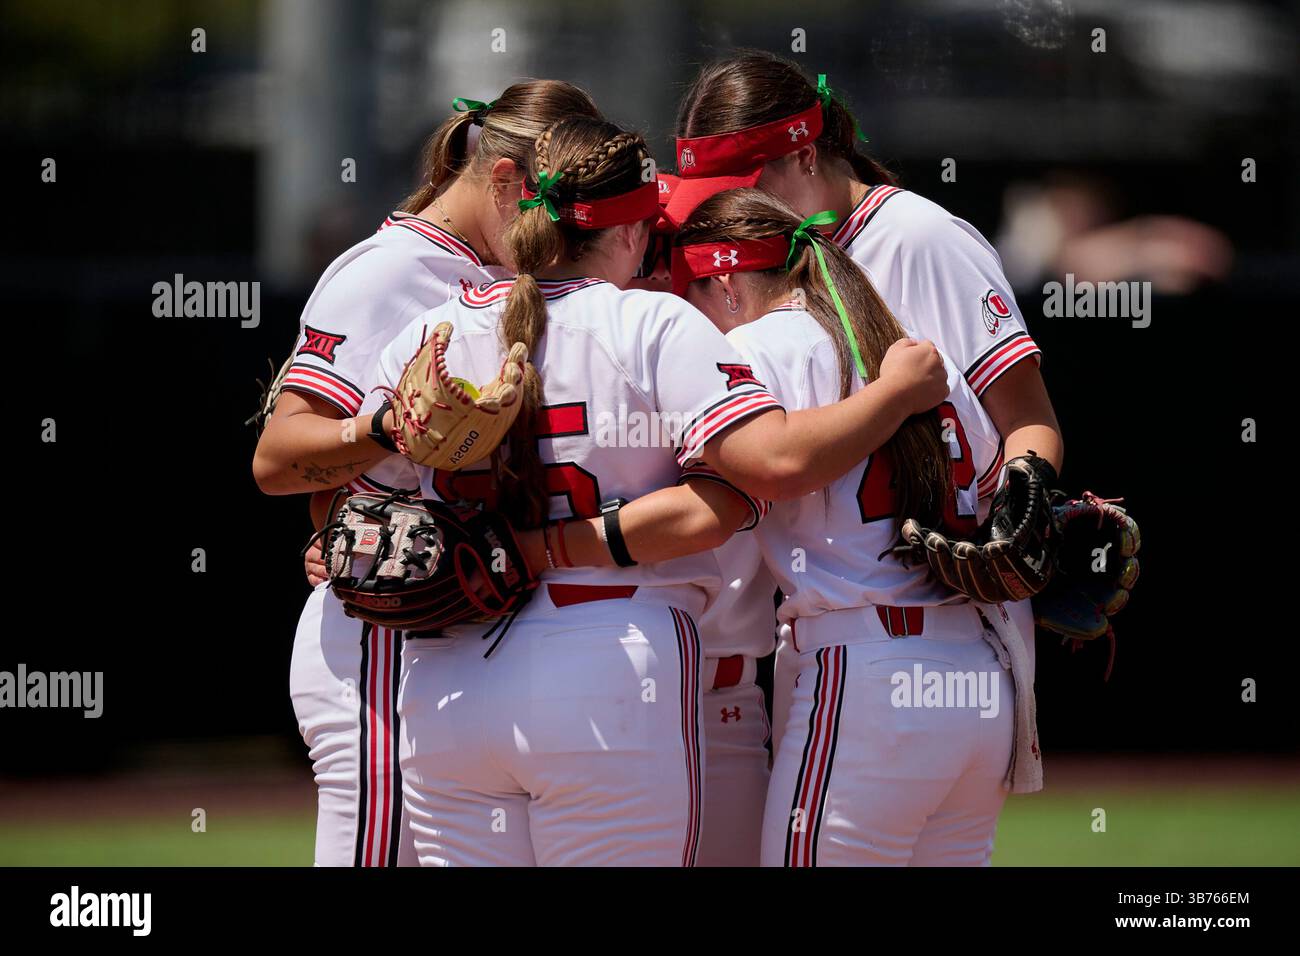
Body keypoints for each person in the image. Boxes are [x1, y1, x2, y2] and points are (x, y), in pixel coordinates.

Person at [364, 116, 949, 866]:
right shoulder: (650, 322)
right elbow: (755, 474)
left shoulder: (428, 334)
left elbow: (356, 523)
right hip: (606, 663)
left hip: (445, 677)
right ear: (635, 229)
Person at [666, 50, 1064, 754]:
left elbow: (1028, 418)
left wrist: (1024, 497)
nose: (730, 207)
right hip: (816, 632)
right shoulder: (752, 255)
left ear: (809, 153)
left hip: (926, 624)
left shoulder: (916, 238)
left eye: (748, 183)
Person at [251, 80, 602, 866]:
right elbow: (276, 459)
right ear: (508, 180)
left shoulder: (495, 267)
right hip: (378, 636)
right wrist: (384, 426)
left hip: (458, 639)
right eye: (554, 199)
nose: (566, 227)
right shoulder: (388, 270)